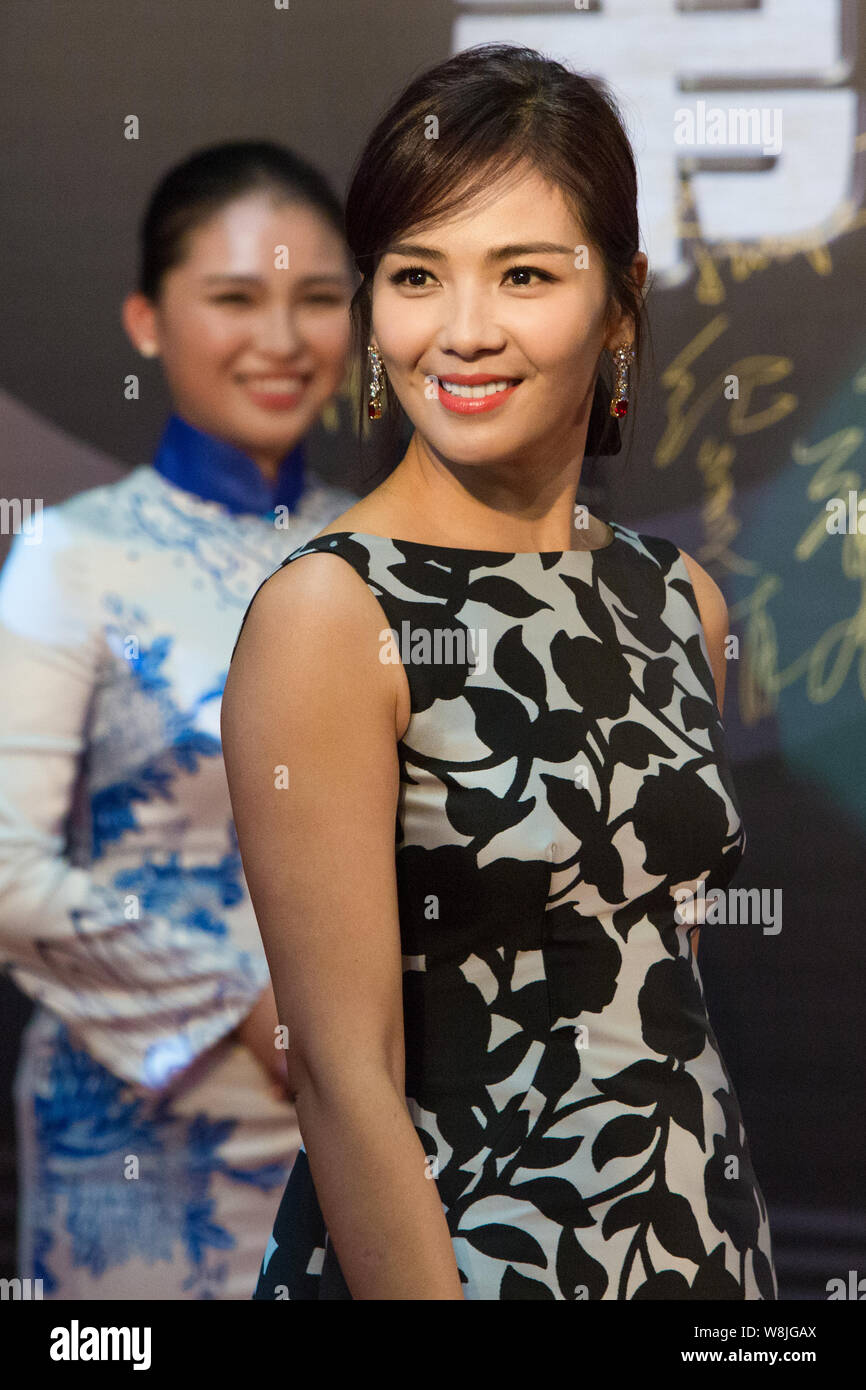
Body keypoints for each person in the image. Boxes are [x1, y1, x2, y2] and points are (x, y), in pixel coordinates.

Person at [222, 46, 778, 1300]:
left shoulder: (676, 598)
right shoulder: (331, 612)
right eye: (417, 275)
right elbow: (342, 1071)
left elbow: (649, 985)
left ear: (621, 300)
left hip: (696, 1241)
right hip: (456, 1259)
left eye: (523, 273)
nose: (462, 332)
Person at [0, 140, 359, 1298]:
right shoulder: (73, 556)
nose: (281, 338)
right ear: (148, 321)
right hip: (139, 1133)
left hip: (365, 1123)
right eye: (235, 298)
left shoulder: (386, 548)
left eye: (315, 299)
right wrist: (239, 1009)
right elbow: (5, 867)